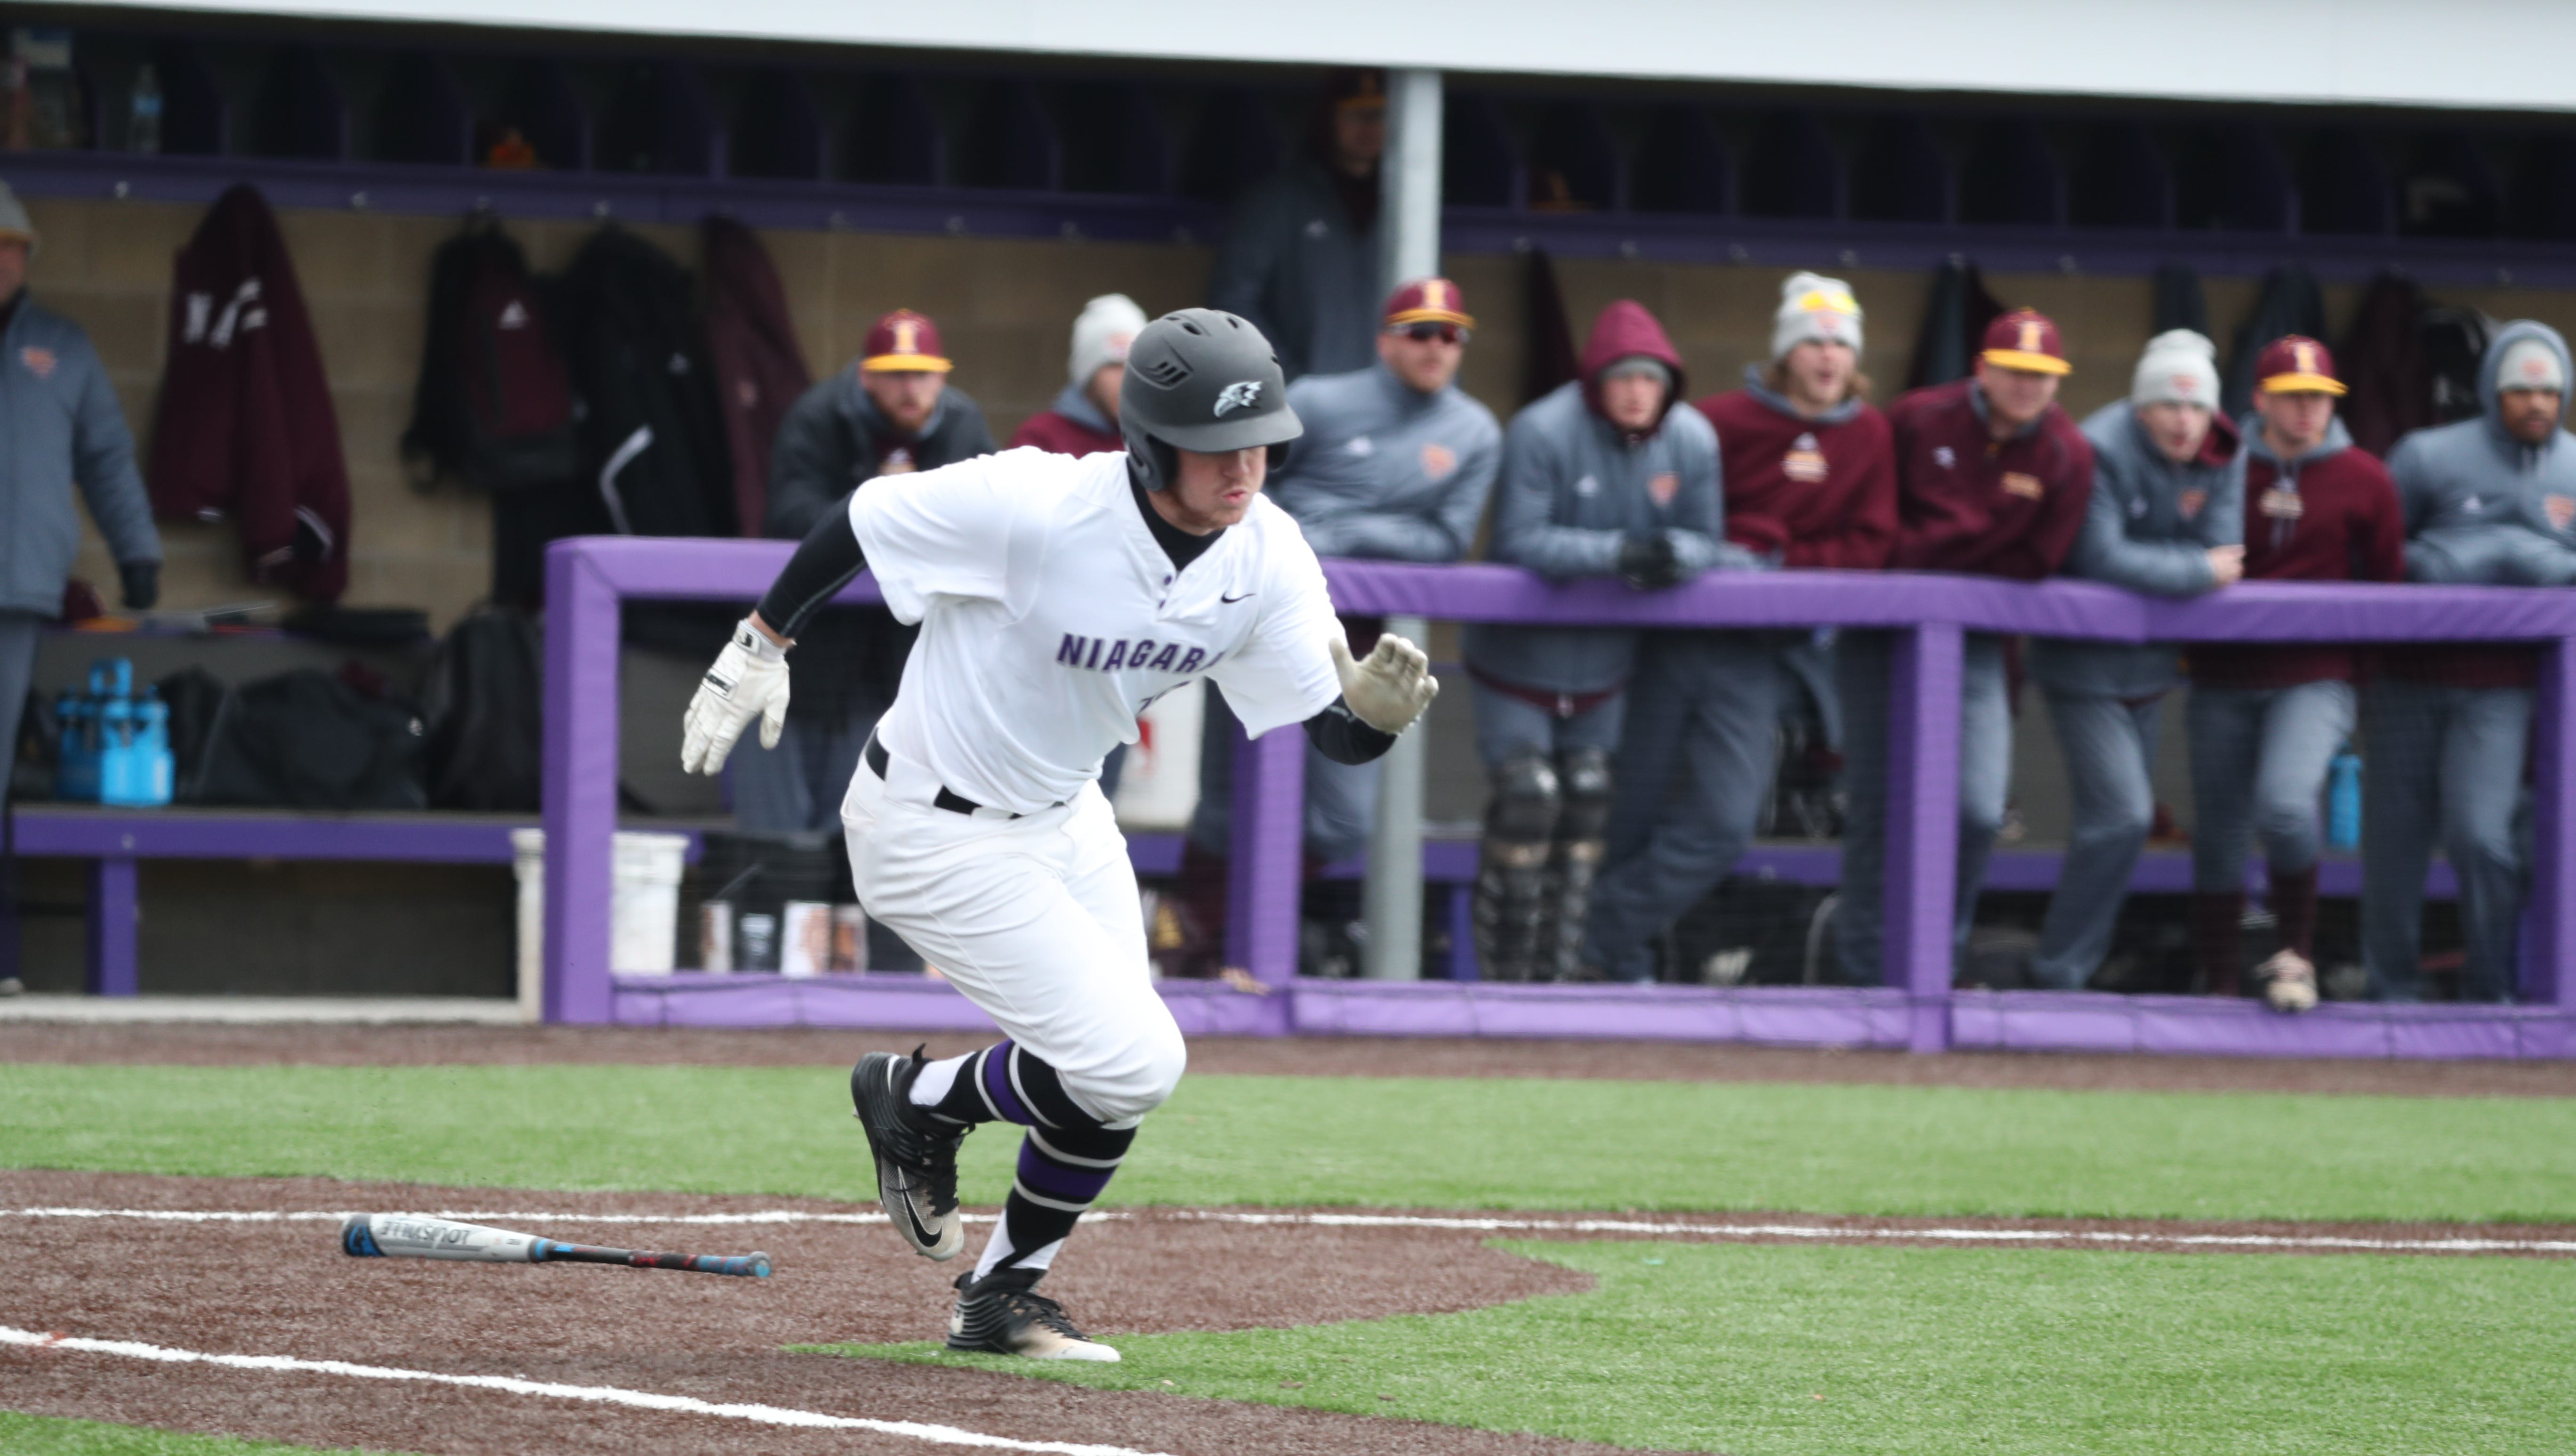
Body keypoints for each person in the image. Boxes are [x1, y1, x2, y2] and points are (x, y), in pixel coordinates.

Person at [678, 308, 1437, 1359]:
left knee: (1106, 1071)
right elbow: (863, 515)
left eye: (1263, 439)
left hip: (1069, 815)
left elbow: (1335, 733)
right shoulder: (1038, 501)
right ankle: (919, 1099)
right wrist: (762, 637)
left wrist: (1377, 722)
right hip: (929, 827)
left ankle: (999, 1294)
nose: (1246, 465)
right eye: (1220, 445)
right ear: (1150, 444)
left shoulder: (1266, 551)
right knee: (1134, 1059)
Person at [1581, 273, 1896, 983]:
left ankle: (1597, 930)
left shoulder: (1872, 433)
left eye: (1840, 344)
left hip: (1760, 655)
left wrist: (1778, 560)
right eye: (1812, 341)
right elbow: (1679, 519)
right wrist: (1727, 552)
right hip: (1669, 637)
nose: (1826, 355)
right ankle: (1611, 963)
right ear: (1786, 351)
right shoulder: (1716, 420)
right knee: (1627, 810)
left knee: (1722, 826)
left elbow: (1873, 546)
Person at [1179, 277, 1500, 969]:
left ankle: (1238, 930)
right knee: (1223, 800)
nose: (1437, 346)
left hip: (1360, 634)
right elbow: (1251, 492)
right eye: (1420, 332)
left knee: (1344, 818)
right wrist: (1314, 532)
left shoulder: (1473, 429)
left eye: (1452, 335)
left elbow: (1446, 539)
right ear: (1386, 339)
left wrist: (1344, 528)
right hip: (1260, 616)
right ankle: (1199, 947)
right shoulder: (1321, 399)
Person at [1465, 299, 1737, 982]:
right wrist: (1623, 554)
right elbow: (1518, 540)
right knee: (1527, 800)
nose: (1639, 392)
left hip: (1607, 669)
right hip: (1517, 662)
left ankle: (1564, 973)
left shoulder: (1693, 438)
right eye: (1623, 378)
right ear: (1597, 383)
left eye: (1652, 379)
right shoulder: (1544, 429)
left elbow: (1709, 540)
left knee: (1588, 804)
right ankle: (1503, 980)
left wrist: (1678, 553)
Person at [1837, 308, 2093, 984]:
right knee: (1876, 806)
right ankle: (1862, 973)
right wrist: (1962, 550)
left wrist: (1940, 554)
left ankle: (1933, 963)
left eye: (2042, 375)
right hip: (1881, 631)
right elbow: (1873, 521)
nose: (2028, 385)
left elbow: (2039, 562)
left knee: (1977, 808)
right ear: (1983, 369)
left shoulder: (2067, 451)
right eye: (2015, 371)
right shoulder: (1919, 417)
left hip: (1977, 642)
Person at [2025, 330, 2244, 991]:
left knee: (2118, 827)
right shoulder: (2100, 444)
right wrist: (2193, 570)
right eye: (2169, 408)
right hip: (2082, 665)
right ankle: (2057, 973)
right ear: (2142, 407)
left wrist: (2190, 568)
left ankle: (2065, 971)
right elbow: (2100, 557)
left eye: (2196, 409)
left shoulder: (2225, 448)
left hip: (2151, 672)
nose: (2184, 423)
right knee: (2122, 816)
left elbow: (2226, 550)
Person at [2188, 337, 2401, 1011]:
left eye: (2317, 396)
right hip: (2223, 673)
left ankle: (2296, 954)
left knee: (2284, 805)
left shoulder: (2366, 476)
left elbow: (2388, 579)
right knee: (2219, 829)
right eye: (2292, 396)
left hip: (2317, 672)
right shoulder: (2221, 463)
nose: (2307, 408)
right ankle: (2220, 978)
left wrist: (2357, 679)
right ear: (2260, 400)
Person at [2367, 321, 2576, 1002]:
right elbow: (2381, 558)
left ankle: (2492, 991)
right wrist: (2446, 560)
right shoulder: (2427, 455)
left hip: (2501, 687)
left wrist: (2533, 560)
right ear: (2493, 389)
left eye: (2549, 391)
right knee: (2394, 844)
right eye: (2522, 390)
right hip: (2407, 681)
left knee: (2483, 837)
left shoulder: (2573, 466)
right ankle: (2389, 988)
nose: (2537, 404)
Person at [741, 309, 994, 837]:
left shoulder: (963, 423)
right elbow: (788, 518)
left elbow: (989, 529)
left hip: (907, 659)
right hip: (816, 647)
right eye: (895, 373)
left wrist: (908, 511)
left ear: (942, 376)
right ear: (865, 374)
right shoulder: (819, 415)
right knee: (793, 828)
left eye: (922, 374)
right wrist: (879, 507)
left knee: (874, 823)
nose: (910, 387)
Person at [0, 177, 161, 788]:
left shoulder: (64, 347)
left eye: (10, 244)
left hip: (18, 588)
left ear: (26, 255)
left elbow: (107, 457)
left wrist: (138, 552)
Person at [1013, 294, 1148, 798]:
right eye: (1114, 365)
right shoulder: (1042, 436)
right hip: (1044, 660)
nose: (1126, 378)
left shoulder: (1164, 443)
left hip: (1123, 666)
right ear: (1087, 369)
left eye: (1138, 365)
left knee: (1094, 807)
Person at [1207, 69, 1385, 382]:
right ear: (1330, 121)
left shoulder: (1408, 207)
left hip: (1389, 407)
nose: (1370, 127)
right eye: (1357, 115)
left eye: (1380, 115)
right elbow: (1234, 304)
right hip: (1304, 406)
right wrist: (1289, 380)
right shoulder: (1277, 201)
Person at [1010, 294, 1145, 458]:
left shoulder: (1158, 438)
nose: (1126, 377)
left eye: (1134, 365)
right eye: (1114, 365)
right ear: (1088, 373)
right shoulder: (1039, 440)